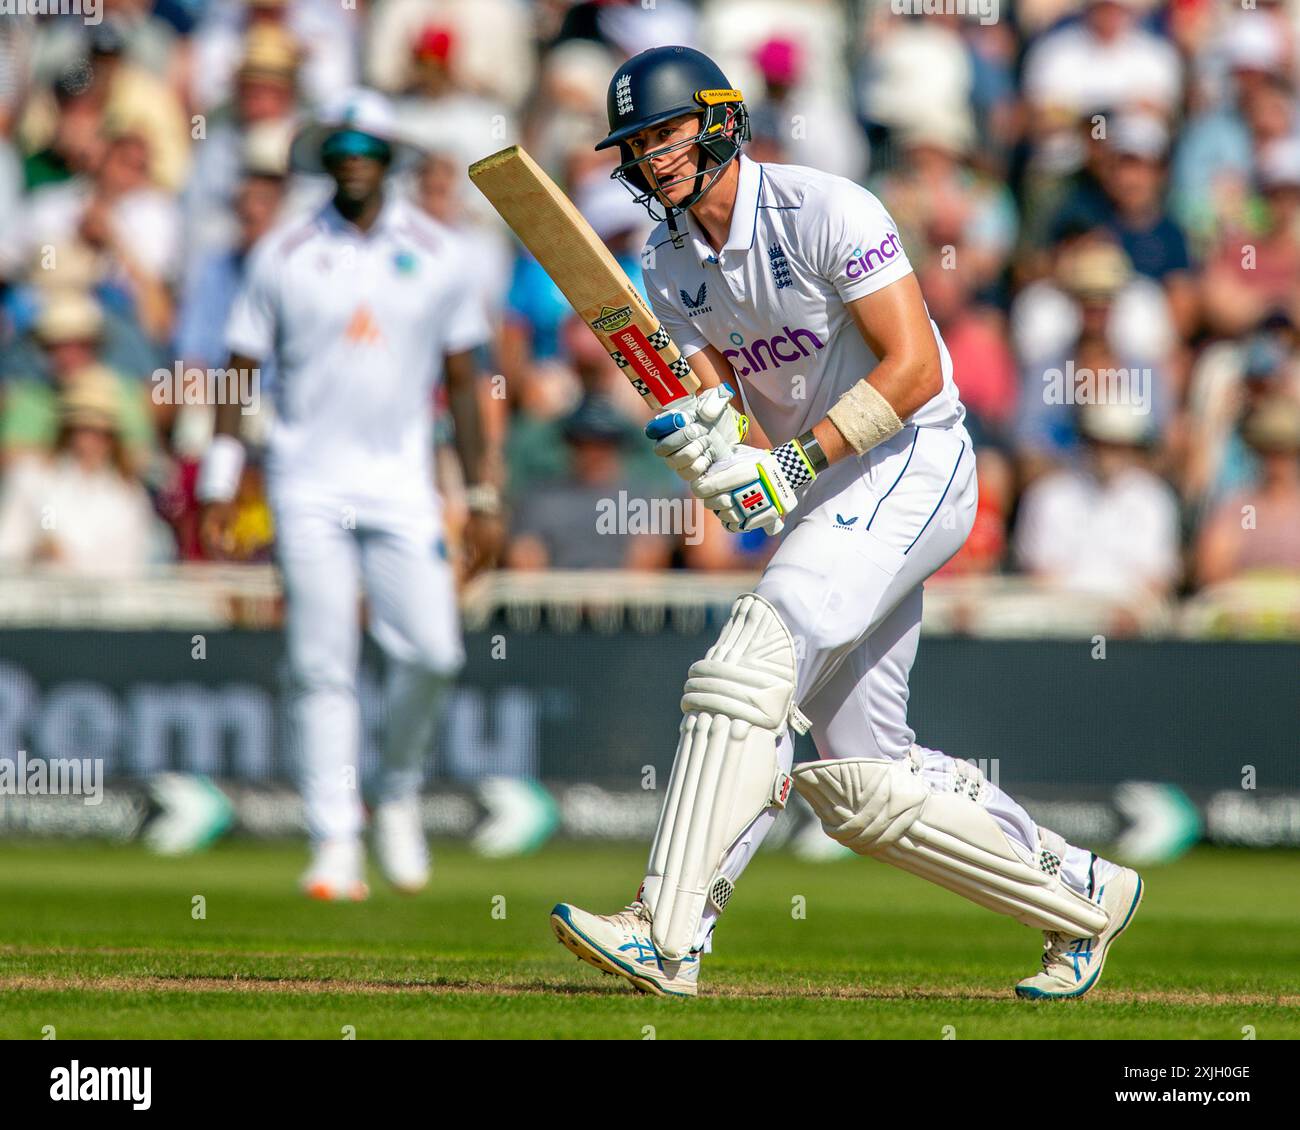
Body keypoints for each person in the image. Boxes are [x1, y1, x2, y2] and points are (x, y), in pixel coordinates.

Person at [550, 46, 1144, 1000]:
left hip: (917, 461)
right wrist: (711, 446)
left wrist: (787, 464)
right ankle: (1084, 895)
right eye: (636, 144)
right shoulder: (664, 259)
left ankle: (665, 932)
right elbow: (719, 403)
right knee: (864, 783)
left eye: (666, 133)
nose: (653, 158)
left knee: (753, 656)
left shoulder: (827, 209)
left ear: (718, 120)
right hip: (827, 490)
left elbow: (912, 370)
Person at [197, 90, 503, 901]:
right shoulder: (285, 252)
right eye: (343, 144)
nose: (356, 156)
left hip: (403, 484)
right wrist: (222, 481)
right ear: (326, 155)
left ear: (391, 155)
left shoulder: (442, 252)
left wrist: (481, 494)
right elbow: (239, 370)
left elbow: (466, 381)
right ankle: (334, 838)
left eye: (370, 143)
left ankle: (396, 792)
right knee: (320, 662)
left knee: (435, 653)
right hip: (306, 483)